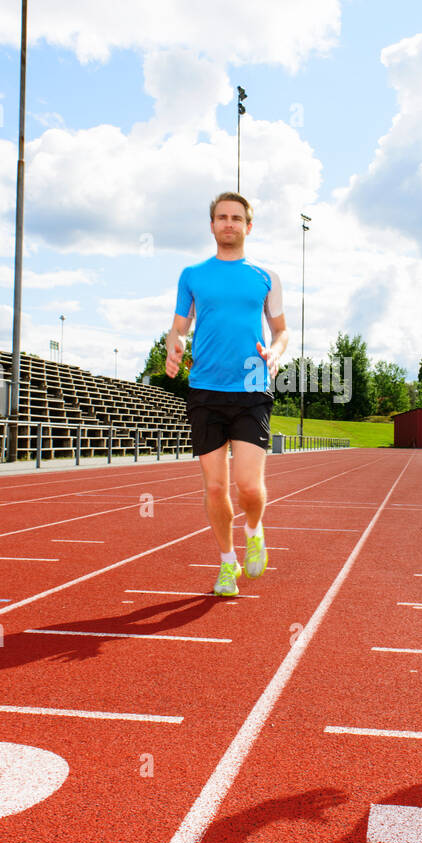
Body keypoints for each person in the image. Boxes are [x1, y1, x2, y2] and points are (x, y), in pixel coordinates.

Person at [165, 193, 288, 596]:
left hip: (252, 386)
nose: (229, 223)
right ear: (212, 225)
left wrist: (276, 352)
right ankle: (226, 564)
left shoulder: (266, 277)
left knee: (249, 486)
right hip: (204, 390)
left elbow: (282, 330)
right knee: (215, 488)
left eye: (237, 218)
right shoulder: (192, 275)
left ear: (248, 227)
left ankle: (254, 530)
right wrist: (173, 344)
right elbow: (179, 326)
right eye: (222, 217)